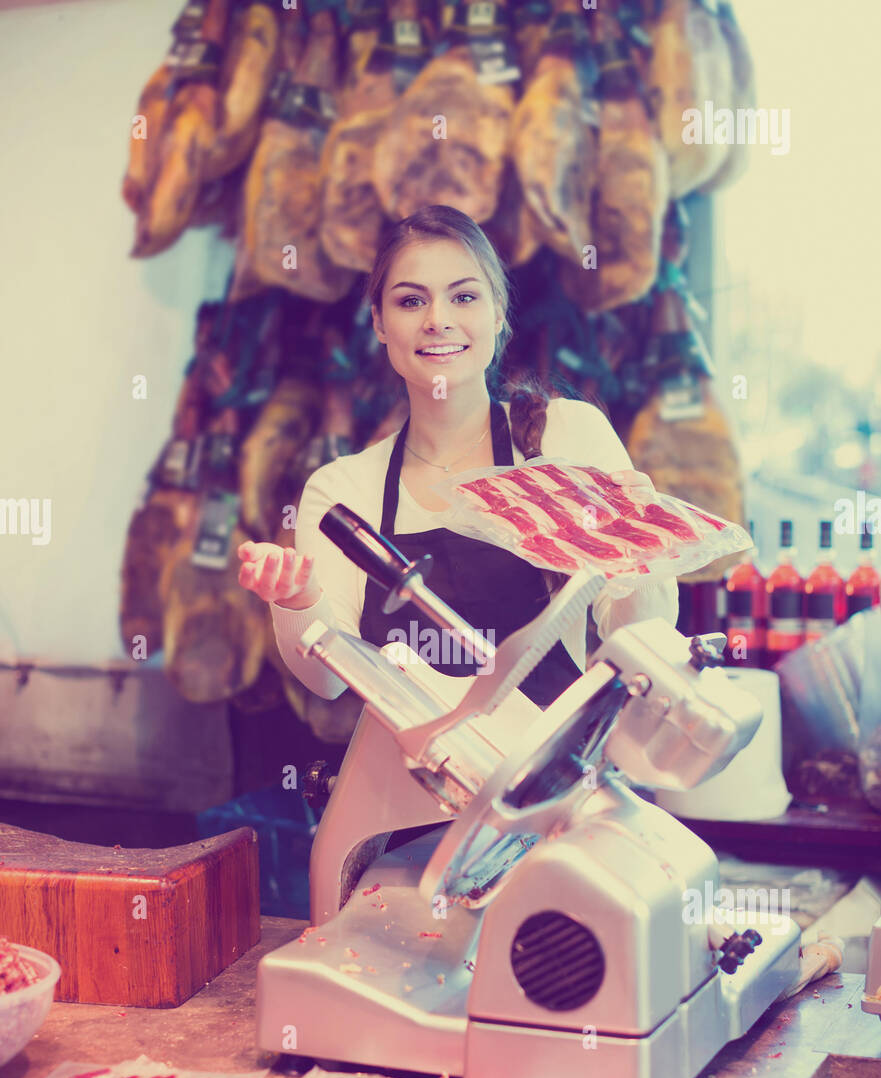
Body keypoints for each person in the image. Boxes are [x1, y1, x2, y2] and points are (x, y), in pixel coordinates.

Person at [238, 205, 678, 711]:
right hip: (399, 780)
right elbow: (328, 680)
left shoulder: (566, 437)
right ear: (380, 323)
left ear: (496, 313)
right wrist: (297, 600)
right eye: (410, 302)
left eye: (463, 296)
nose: (438, 321)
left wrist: (638, 552)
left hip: (533, 778)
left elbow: (643, 636)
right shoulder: (342, 490)